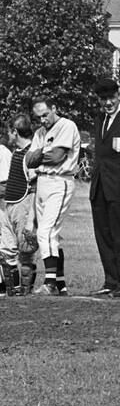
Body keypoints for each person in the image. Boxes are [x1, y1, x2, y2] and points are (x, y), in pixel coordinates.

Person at [89, 77, 120, 297]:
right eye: (103, 99)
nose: (107, 103)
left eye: (110, 97)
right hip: (99, 186)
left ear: (118, 95)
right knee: (103, 235)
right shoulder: (99, 119)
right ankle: (111, 279)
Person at [27, 98, 81, 296]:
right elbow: (29, 160)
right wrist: (41, 155)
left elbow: (57, 157)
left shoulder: (67, 125)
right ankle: (60, 284)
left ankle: (49, 282)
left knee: (46, 232)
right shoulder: (40, 132)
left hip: (60, 180)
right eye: (38, 117)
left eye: (45, 114)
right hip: (42, 181)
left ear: (54, 109)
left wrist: (39, 154)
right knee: (51, 235)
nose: (42, 120)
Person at [1, 114, 37, 296]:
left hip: (23, 205)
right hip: (10, 205)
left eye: (9, 131)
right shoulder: (16, 153)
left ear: (15, 131)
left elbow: (35, 187)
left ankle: (25, 291)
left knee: (25, 250)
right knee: (7, 249)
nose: (7, 135)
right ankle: (13, 290)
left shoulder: (31, 154)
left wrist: (31, 215)